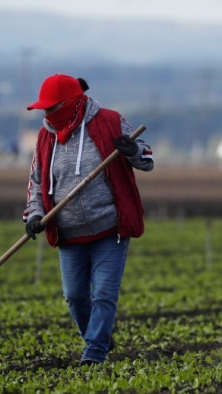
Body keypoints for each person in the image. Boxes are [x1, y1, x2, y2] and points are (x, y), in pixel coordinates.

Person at [22, 73, 154, 366]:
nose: (47, 113)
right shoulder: (45, 137)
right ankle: (99, 338)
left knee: (105, 293)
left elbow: (146, 158)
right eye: (43, 108)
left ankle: (94, 353)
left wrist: (132, 151)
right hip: (69, 233)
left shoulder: (110, 121)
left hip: (111, 228)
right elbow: (36, 182)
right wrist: (35, 215)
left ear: (71, 103)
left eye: (52, 107)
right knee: (75, 297)